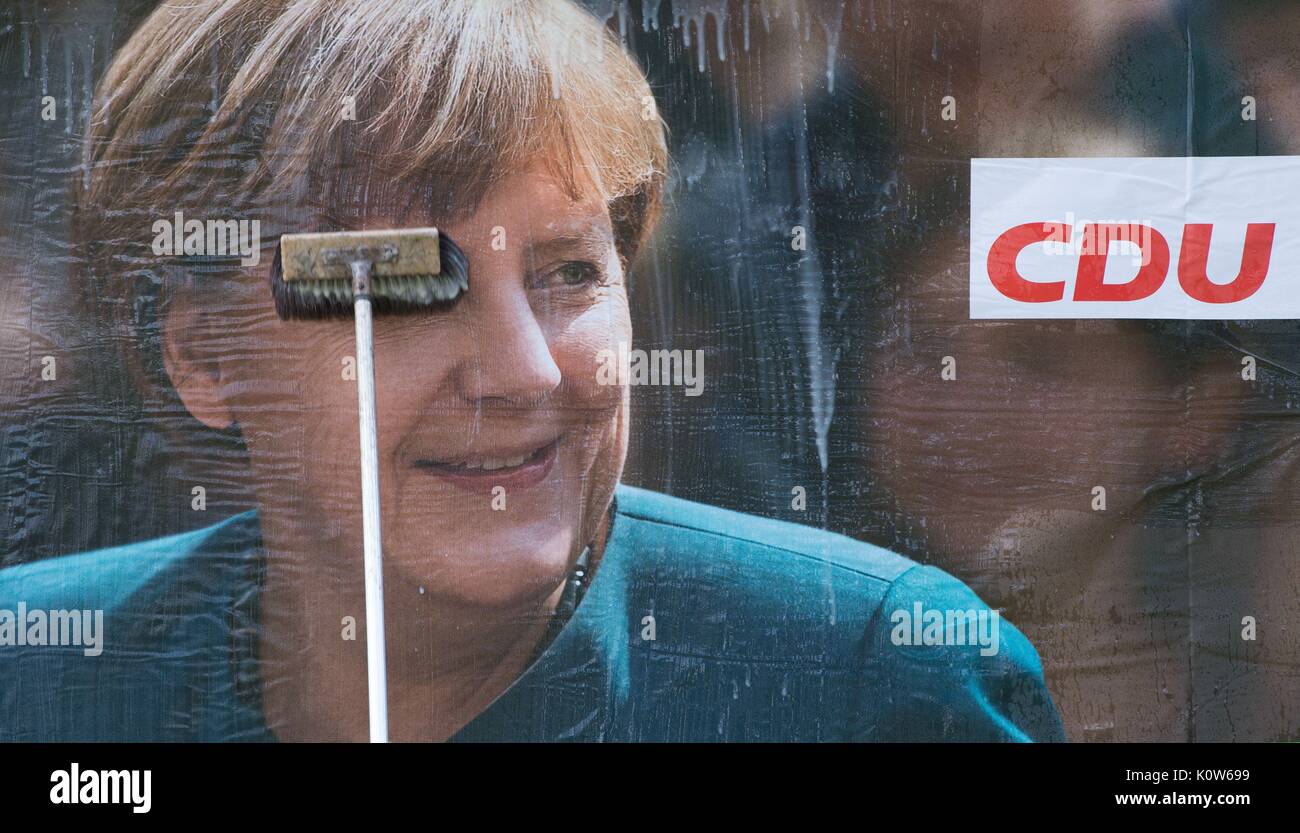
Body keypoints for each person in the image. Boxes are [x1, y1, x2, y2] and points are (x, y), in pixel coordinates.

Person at [0, 0, 1063, 742]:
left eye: (567, 271)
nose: (521, 369)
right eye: (404, 284)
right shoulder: (35, 675)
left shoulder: (870, 683)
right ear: (204, 355)